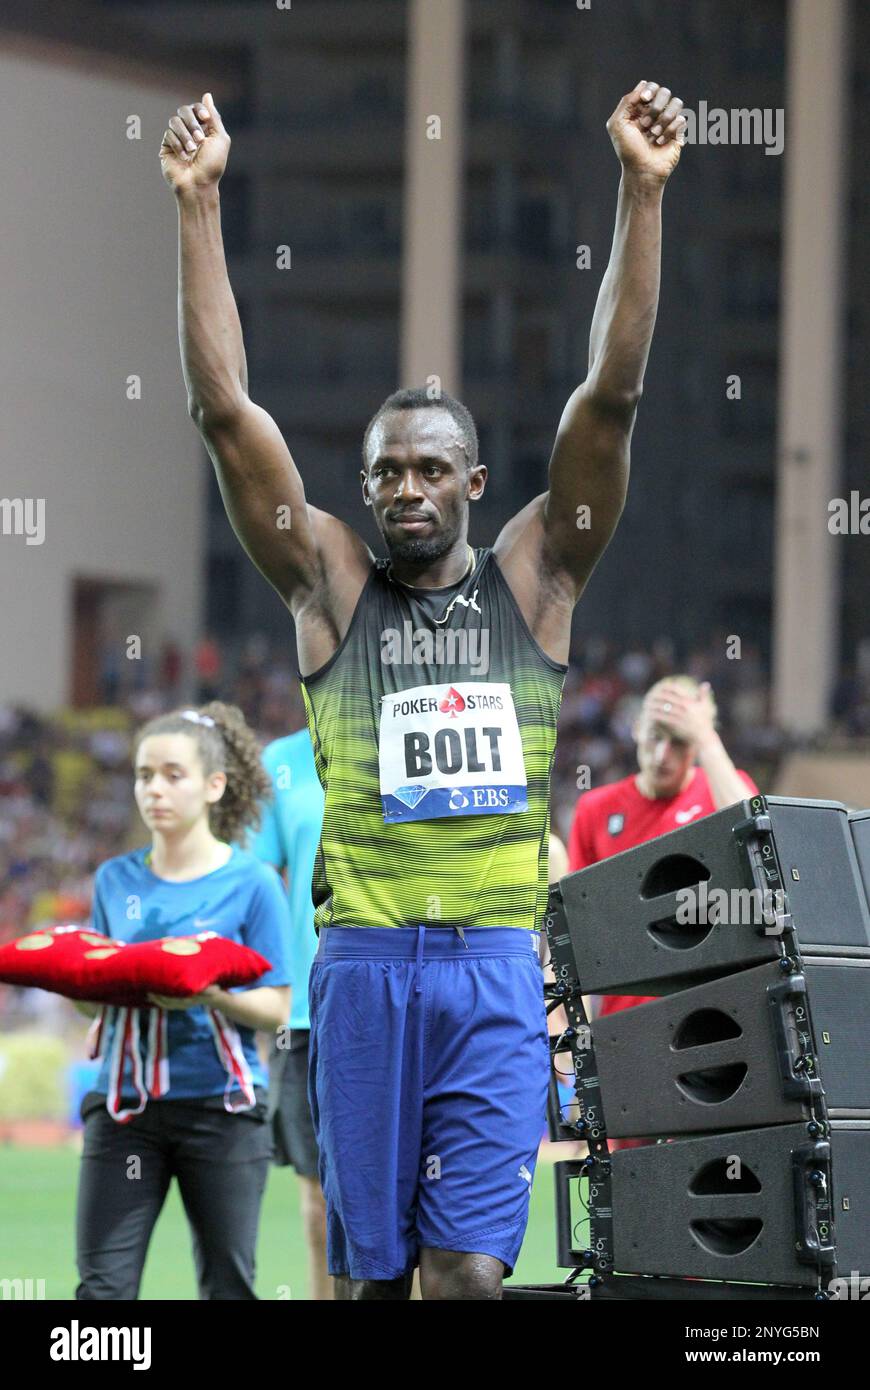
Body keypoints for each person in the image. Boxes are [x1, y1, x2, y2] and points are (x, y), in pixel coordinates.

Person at [162, 79, 687, 1299]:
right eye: (387, 469)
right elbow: (222, 411)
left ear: (473, 481)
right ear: (366, 482)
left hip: (495, 969)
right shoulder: (330, 589)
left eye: (432, 469)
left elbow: (610, 395)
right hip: (360, 969)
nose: (407, 488)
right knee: (370, 1282)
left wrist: (641, 191)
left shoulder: (540, 576)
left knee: (467, 1276)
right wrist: (197, 205)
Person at [73, 703, 292, 1300]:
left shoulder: (253, 883)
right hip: (123, 1112)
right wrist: (84, 988)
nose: (155, 790)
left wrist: (207, 993)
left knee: (228, 1288)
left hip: (222, 1111)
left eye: (173, 775)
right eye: (144, 775)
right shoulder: (113, 880)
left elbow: (275, 1007)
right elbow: (92, 999)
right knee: (102, 1292)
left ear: (214, 785)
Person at [567, 674, 760, 1019]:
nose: (661, 755)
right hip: (625, 1021)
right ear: (636, 728)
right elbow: (577, 931)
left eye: (679, 741)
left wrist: (706, 736)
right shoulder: (595, 809)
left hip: (715, 1014)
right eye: (655, 736)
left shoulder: (721, 791)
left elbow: (761, 839)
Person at [246, 726, 332, 1300]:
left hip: (408, 1001)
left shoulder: (416, 731)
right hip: (304, 1013)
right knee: (319, 1205)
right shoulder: (283, 760)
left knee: (416, 1198)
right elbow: (255, 880)